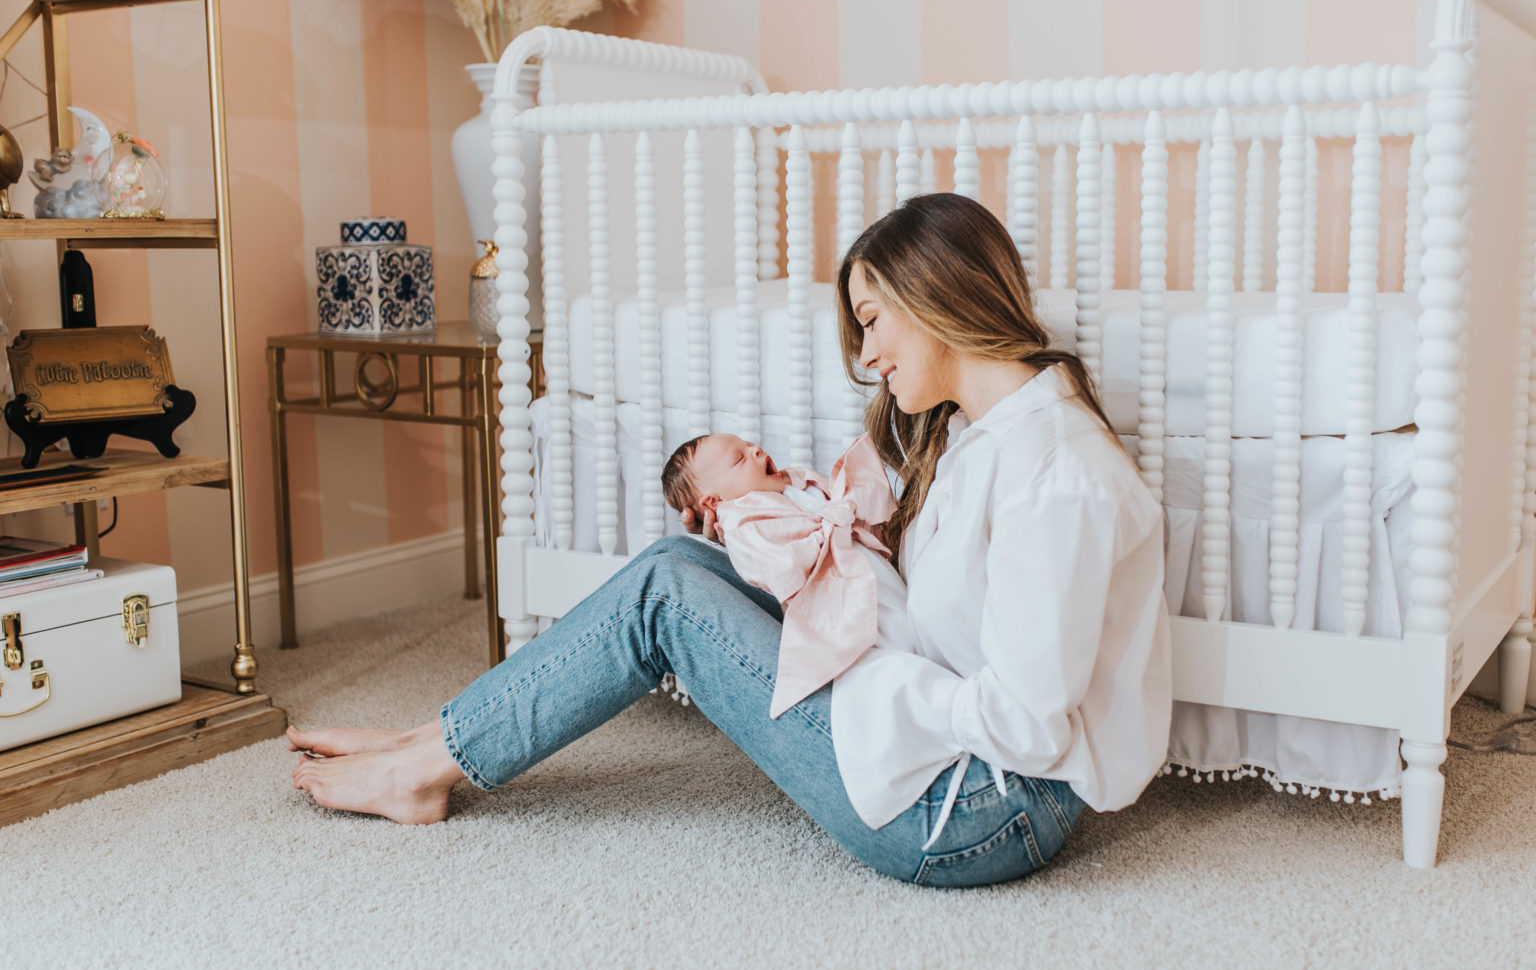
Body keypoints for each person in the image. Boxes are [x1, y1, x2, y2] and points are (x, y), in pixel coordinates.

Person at [288, 192, 1172, 888]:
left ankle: (428, 762)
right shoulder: (985, 437)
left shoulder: (1058, 473)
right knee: (678, 563)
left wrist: (874, 686)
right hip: (954, 752)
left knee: (670, 603)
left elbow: (1022, 722)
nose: (867, 355)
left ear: (934, 298)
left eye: (873, 319)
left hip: (980, 813)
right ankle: (432, 742)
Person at [661, 431, 912, 721]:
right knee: (878, 655)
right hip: (836, 601)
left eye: (749, 445)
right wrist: (820, 534)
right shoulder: (742, 520)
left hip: (873, 571)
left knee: (906, 622)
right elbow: (771, 567)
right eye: (740, 458)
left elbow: (838, 500)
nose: (755, 450)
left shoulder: (796, 482)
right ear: (714, 502)